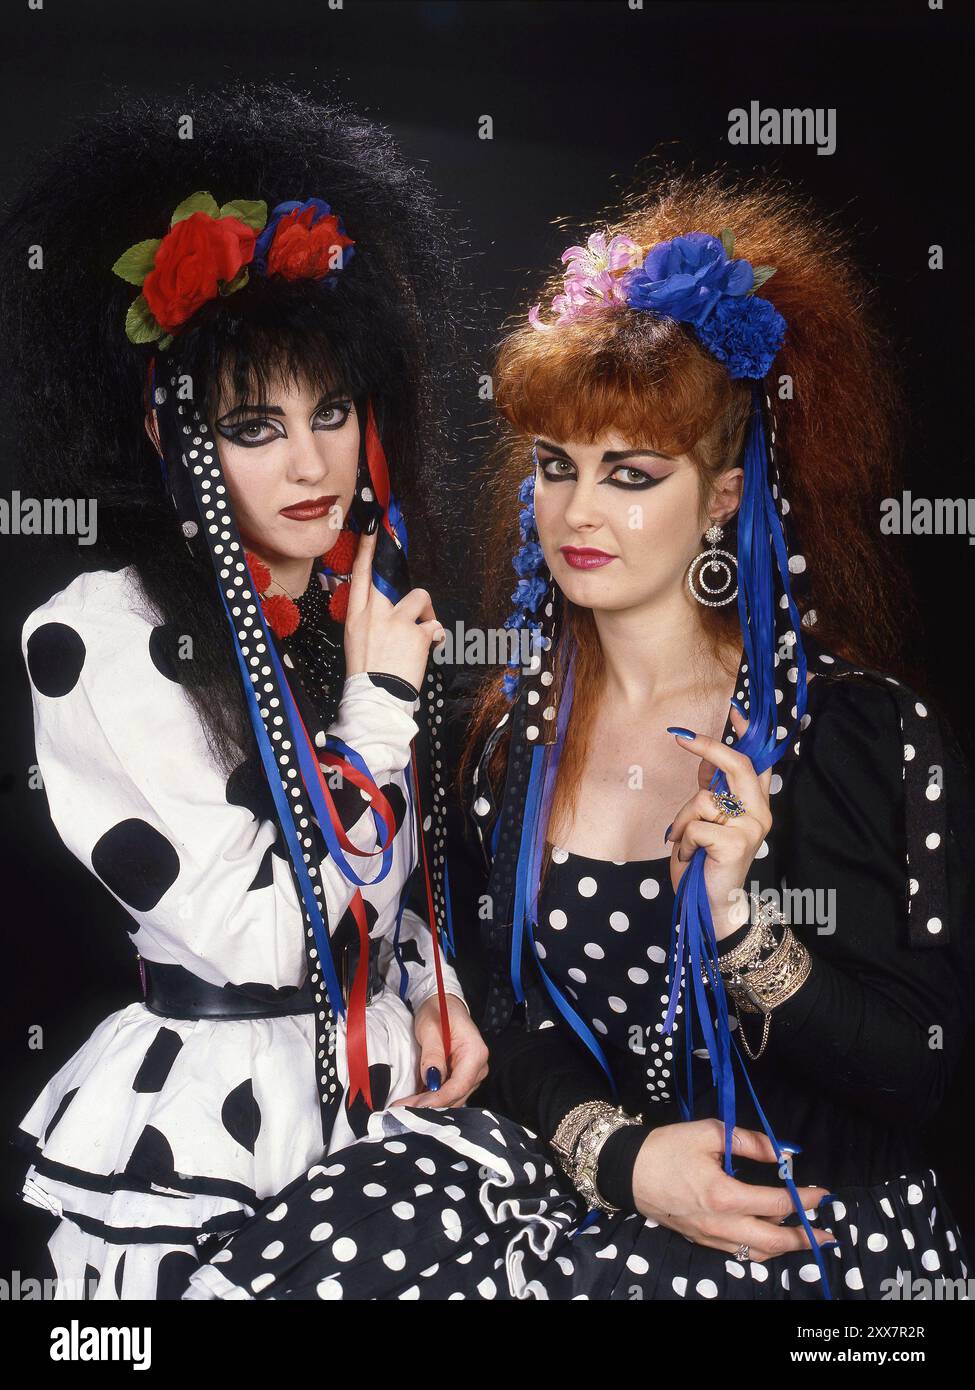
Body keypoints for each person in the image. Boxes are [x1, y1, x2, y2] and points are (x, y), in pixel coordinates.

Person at [185, 171, 972, 1302]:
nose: (578, 513)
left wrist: (746, 930)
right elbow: (507, 1013)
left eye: (632, 474)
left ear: (722, 495)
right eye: (556, 466)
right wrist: (622, 1154)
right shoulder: (515, 734)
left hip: (800, 1231)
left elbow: (918, 1074)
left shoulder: (856, 734)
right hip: (597, 1186)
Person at [2, 81, 487, 1301]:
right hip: (220, 1116)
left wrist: (439, 996)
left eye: (331, 412)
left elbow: (387, 885)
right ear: (177, 440)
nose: (315, 461)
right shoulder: (97, 633)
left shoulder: (350, 604)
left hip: (390, 1101)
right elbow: (261, 932)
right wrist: (379, 708)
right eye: (255, 424)